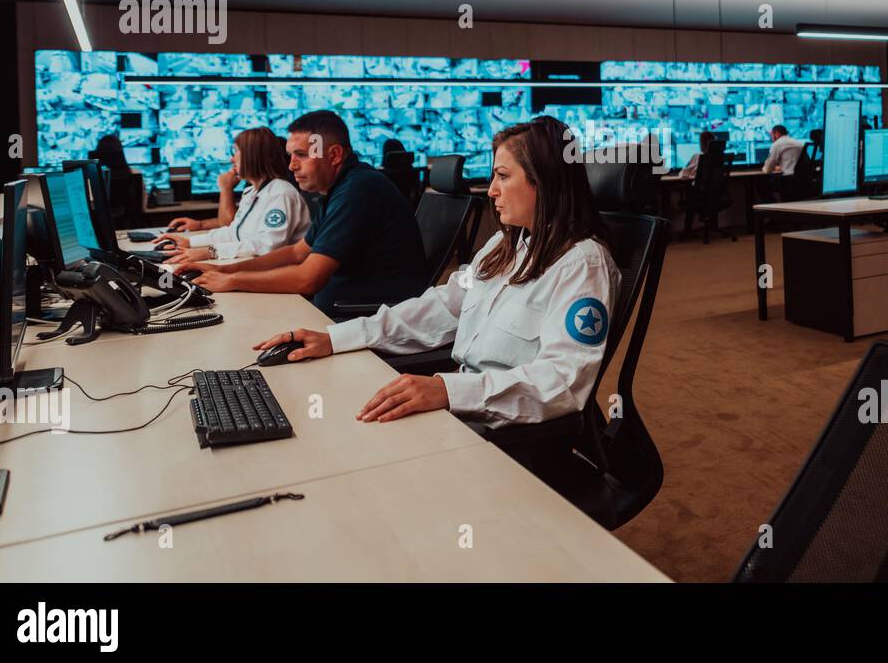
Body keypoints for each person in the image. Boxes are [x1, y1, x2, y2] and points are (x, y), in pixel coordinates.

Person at [252, 116, 620, 429]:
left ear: (545, 180)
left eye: (503, 176)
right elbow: (440, 308)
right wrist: (335, 338)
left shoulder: (582, 265)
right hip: (463, 406)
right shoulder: (503, 246)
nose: (491, 190)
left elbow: (563, 381)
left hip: (507, 428)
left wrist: (448, 390)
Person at [175, 110, 427, 314]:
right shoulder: (340, 189)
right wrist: (225, 271)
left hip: (360, 318)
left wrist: (234, 280)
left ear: (335, 155)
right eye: (290, 156)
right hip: (330, 309)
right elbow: (298, 252)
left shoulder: (358, 190)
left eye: (301, 155)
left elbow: (308, 278)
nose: (292, 165)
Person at [155, 127, 311, 263]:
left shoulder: (281, 193)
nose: (231, 158)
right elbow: (233, 232)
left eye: (236, 151)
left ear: (252, 156)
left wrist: (210, 252)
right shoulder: (252, 192)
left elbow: (267, 247)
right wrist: (189, 242)